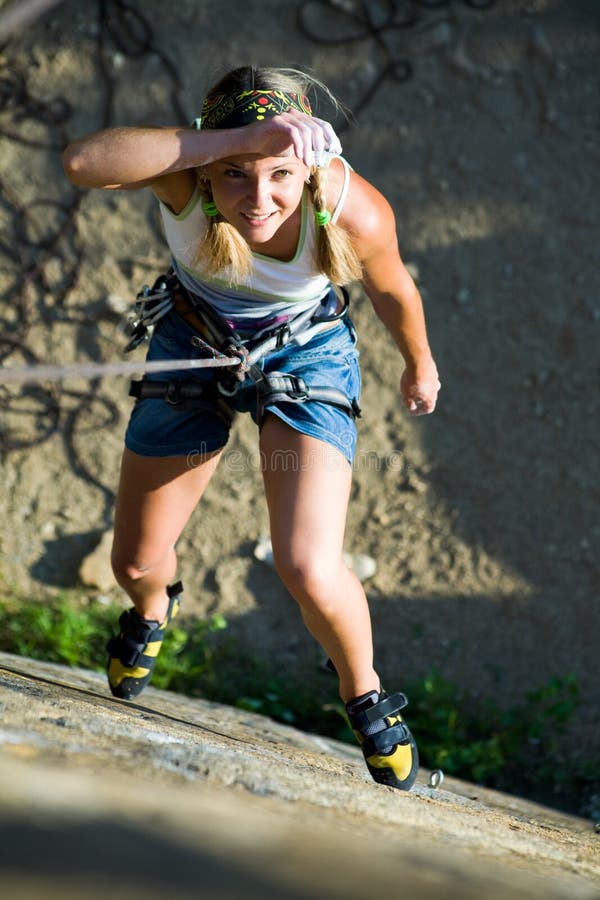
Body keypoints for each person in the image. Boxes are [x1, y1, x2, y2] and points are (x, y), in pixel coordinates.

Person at [62, 65, 440, 792]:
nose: (257, 198)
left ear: (309, 169)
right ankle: (150, 610)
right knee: (137, 563)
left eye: (278, 175)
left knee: (306, 564)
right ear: (210, 164)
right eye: (235, 174)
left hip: (305, 354)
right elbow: (83, 163)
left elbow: (393, 286)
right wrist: (233, 142)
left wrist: (419, 363)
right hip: (194, 345)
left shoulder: (347, 205)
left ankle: (363, 692)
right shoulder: (188, 181)